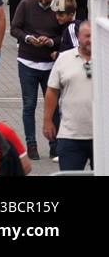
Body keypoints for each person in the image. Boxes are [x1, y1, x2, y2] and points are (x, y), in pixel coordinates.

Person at [10, 0, 62, 159]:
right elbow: (14, 28)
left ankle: (55, 145)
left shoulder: (58, 5)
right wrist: (27, 38)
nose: (44, 2)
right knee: (29, 105)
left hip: (50, 65)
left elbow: (65, 31)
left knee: (54, 106)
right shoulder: (26, 4)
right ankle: (31, 144)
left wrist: (51, 42)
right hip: (27, 62)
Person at [44, 20, 93, 172]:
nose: (90, 40)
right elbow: (52, 90)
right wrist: (47, 121)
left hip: (103, 136)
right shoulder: (64, 58)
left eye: (94, 36)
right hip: (70, 135)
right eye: (87, 36)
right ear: (78, 37)